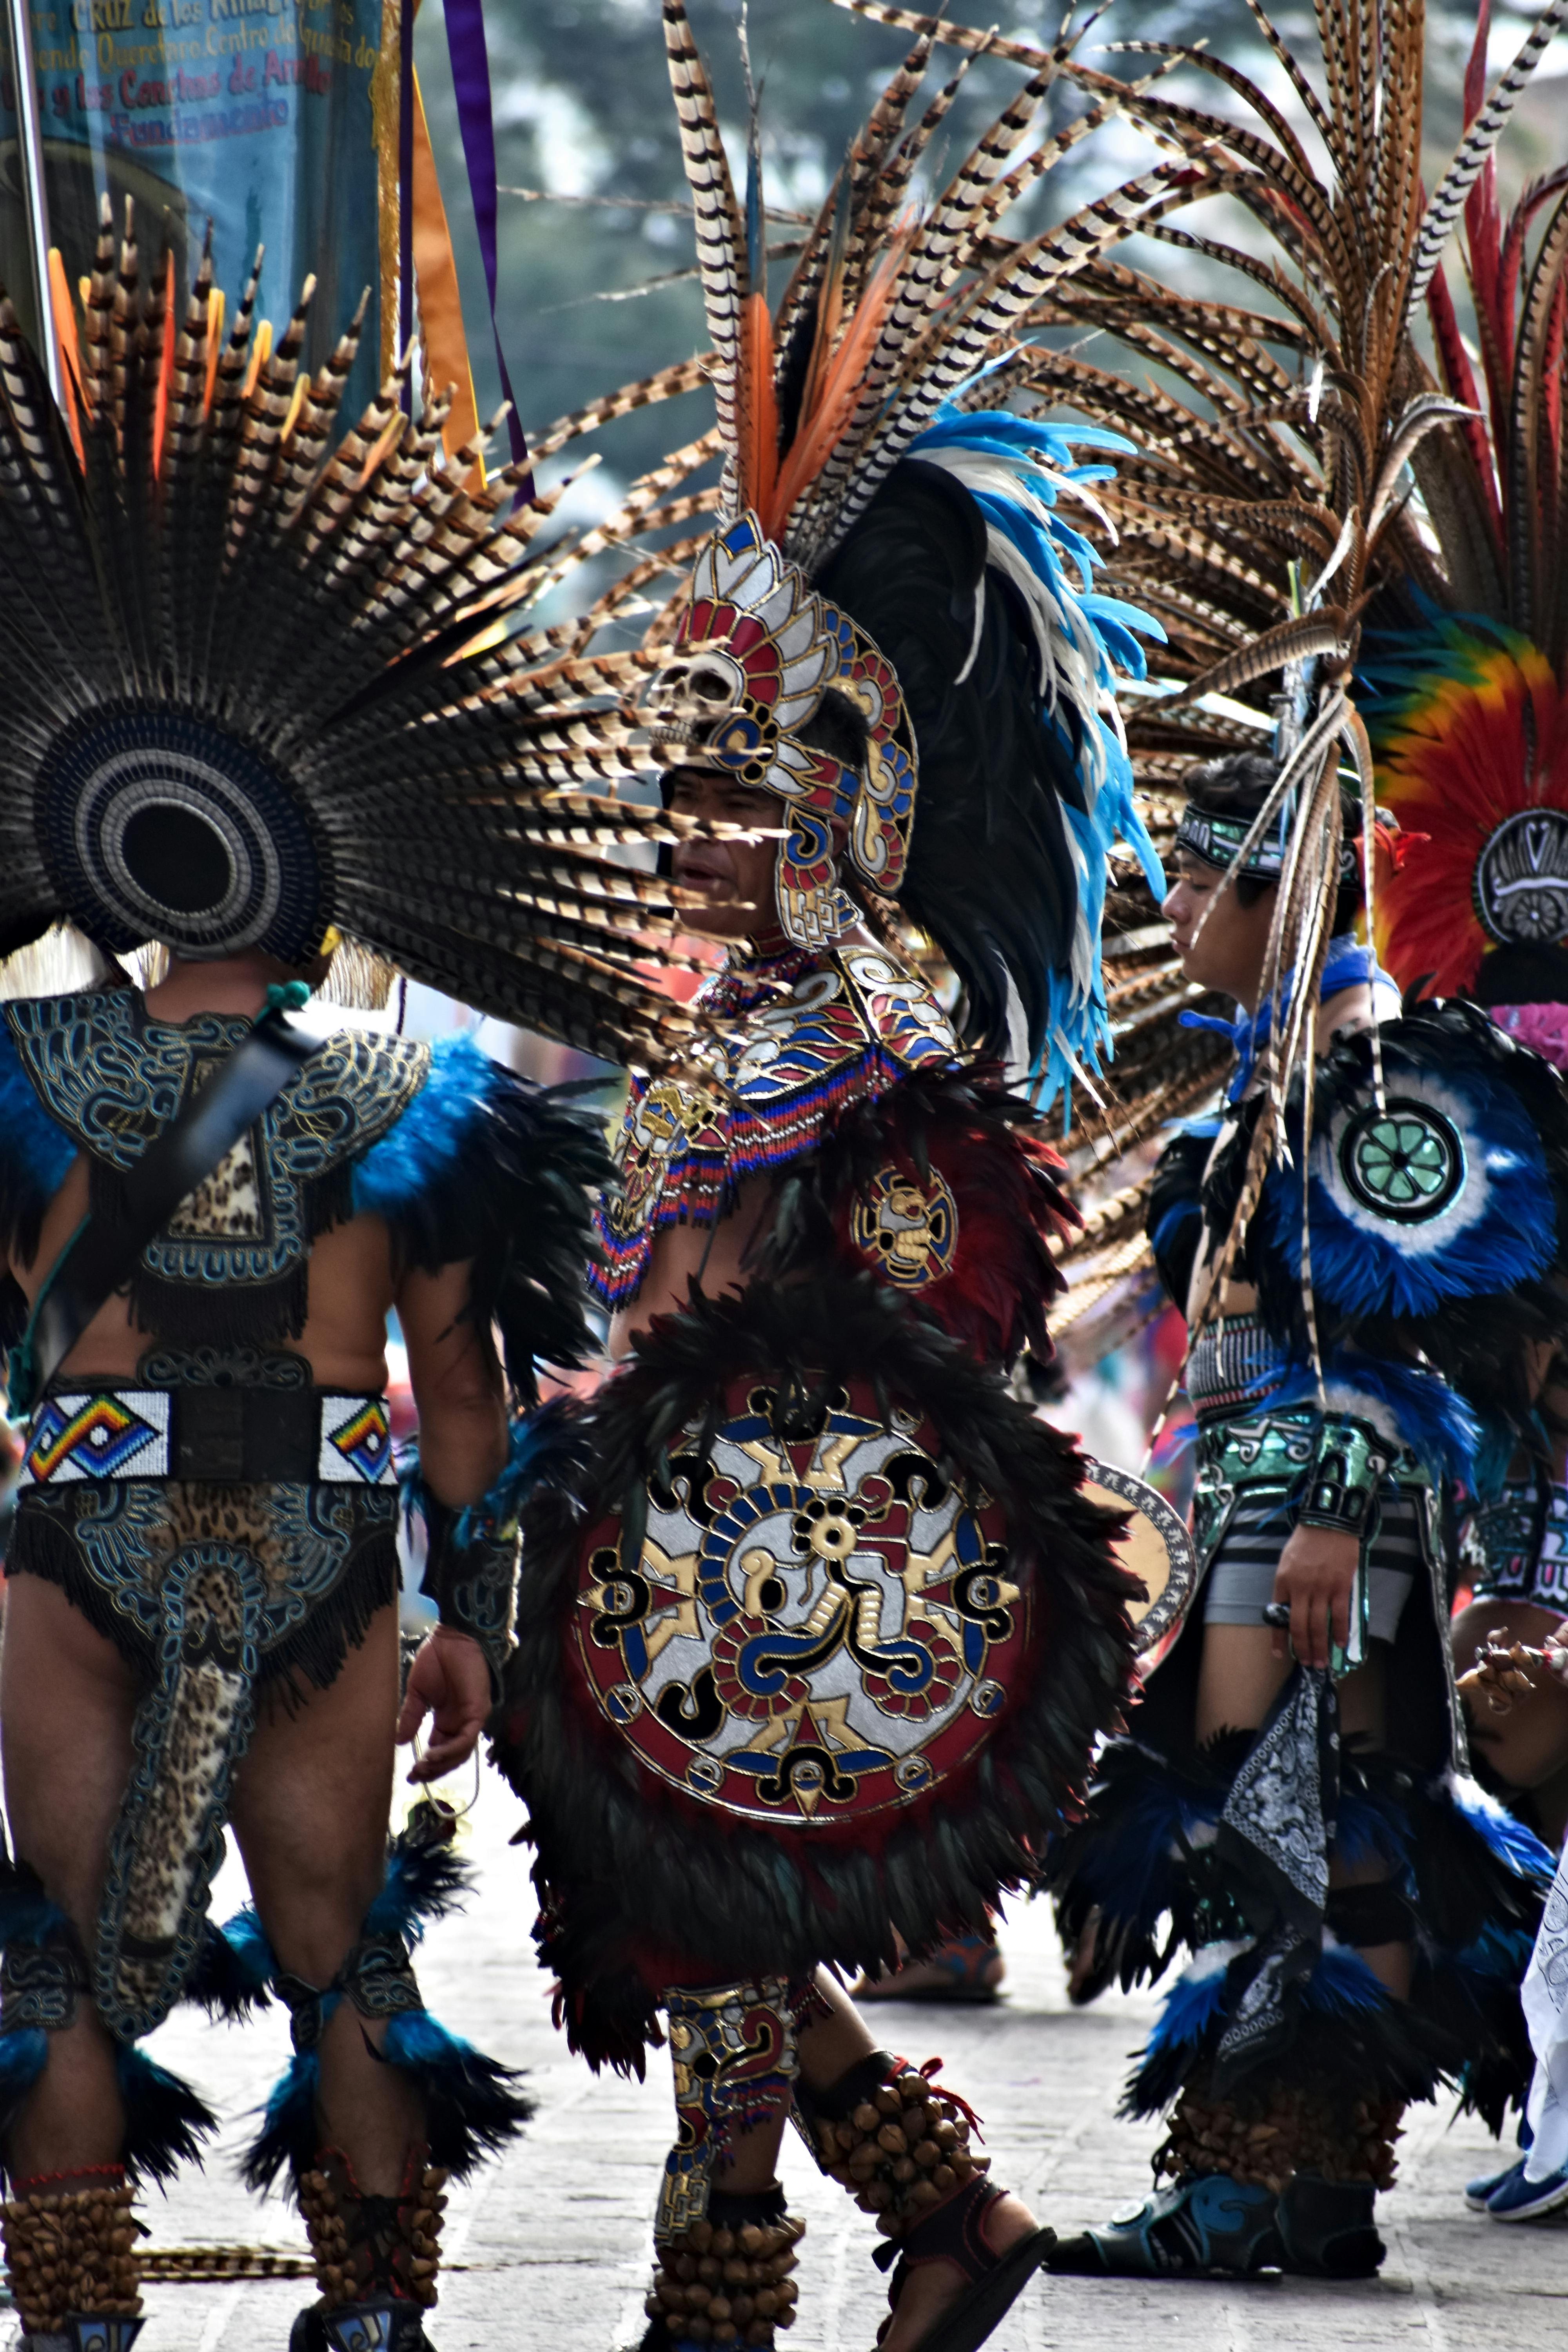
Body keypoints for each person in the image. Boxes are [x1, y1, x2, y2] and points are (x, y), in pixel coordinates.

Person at [485, 10, 1181, 2347]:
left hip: (779, 1603)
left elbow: (926, 1352)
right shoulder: (709, 1049)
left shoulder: (880, 1051)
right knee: (683, 1935)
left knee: (705, 1952)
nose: (713, 822)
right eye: (690, 781)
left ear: (861, 795)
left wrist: (715, 1427)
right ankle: (948, 2214)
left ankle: (724, 2295)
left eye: (761, 773)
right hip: (664, 1582)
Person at [0, 211, 704, 2352]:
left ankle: (81, 2323)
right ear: (325, 894)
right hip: (318, 1546)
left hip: (80, 1527)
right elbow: (465, 1397)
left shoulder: (27, 1084)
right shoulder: (415, 1095)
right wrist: (470, 1622)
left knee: (61, 1957)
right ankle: (381, 2322)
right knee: (347, 1962)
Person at [1047, 749, 1564, 2282]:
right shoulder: (1299, 1044)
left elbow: (1387, 1310)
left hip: (1315, 1484)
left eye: (1203, 883)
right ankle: (1321, 2188)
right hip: (1299, 1481)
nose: (1177, 906)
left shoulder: (1354, 1054)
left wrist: (1331, 1506)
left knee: (1238, 1813)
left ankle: (1230, 2186)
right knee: (1339, 1818)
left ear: (1278, 901)